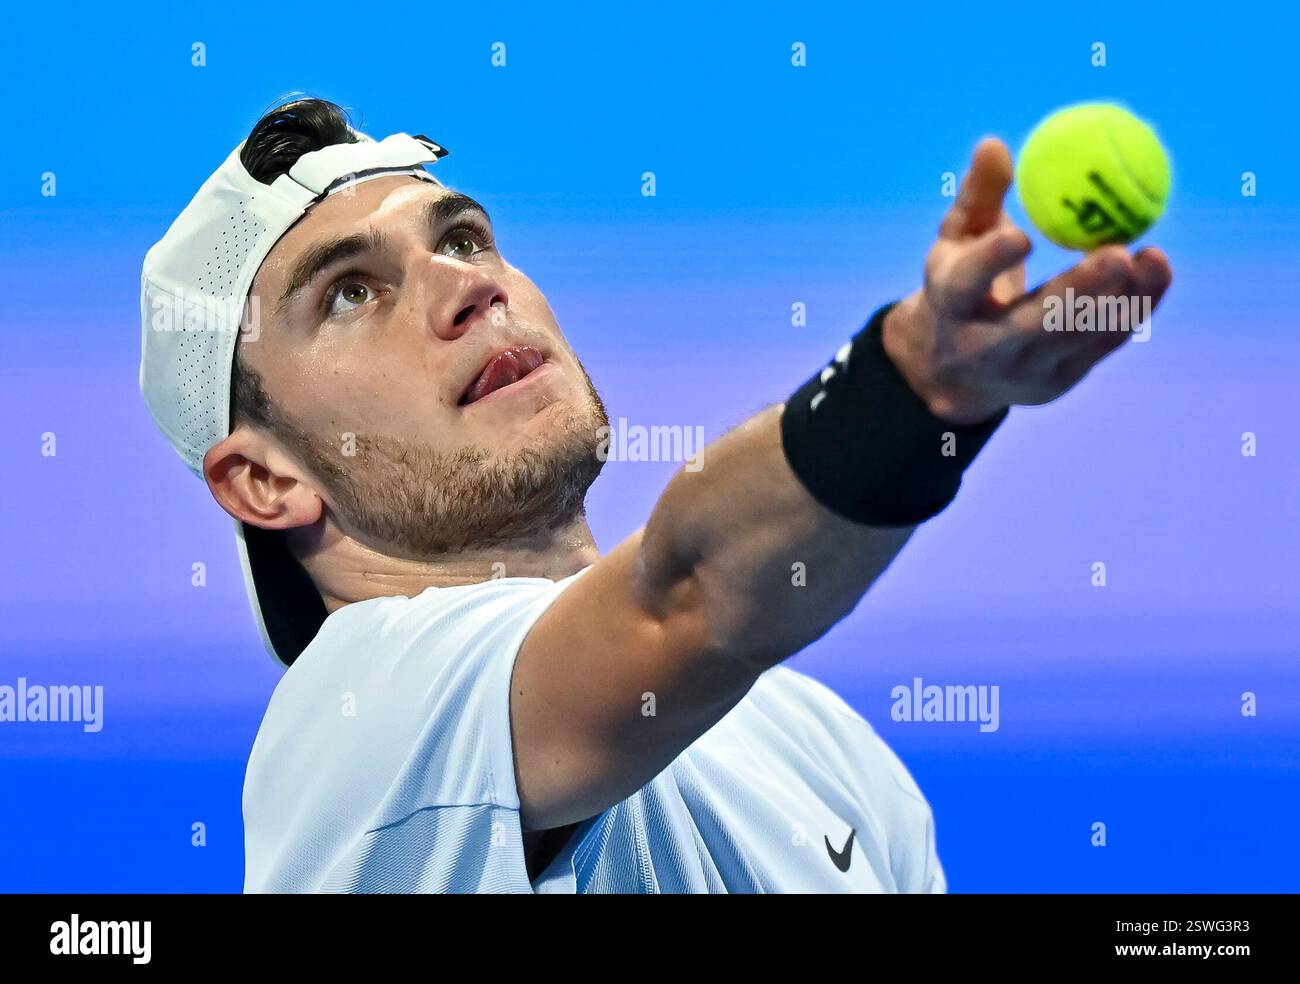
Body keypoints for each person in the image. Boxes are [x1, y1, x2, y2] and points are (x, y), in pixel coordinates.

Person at [139, 97, 1173, 892]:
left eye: (459, 238)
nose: (469, 287)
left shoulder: (817, 743)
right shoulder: (357, 718)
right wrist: (914, 390)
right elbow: (684, 600)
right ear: (263, 480)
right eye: (350, 293)